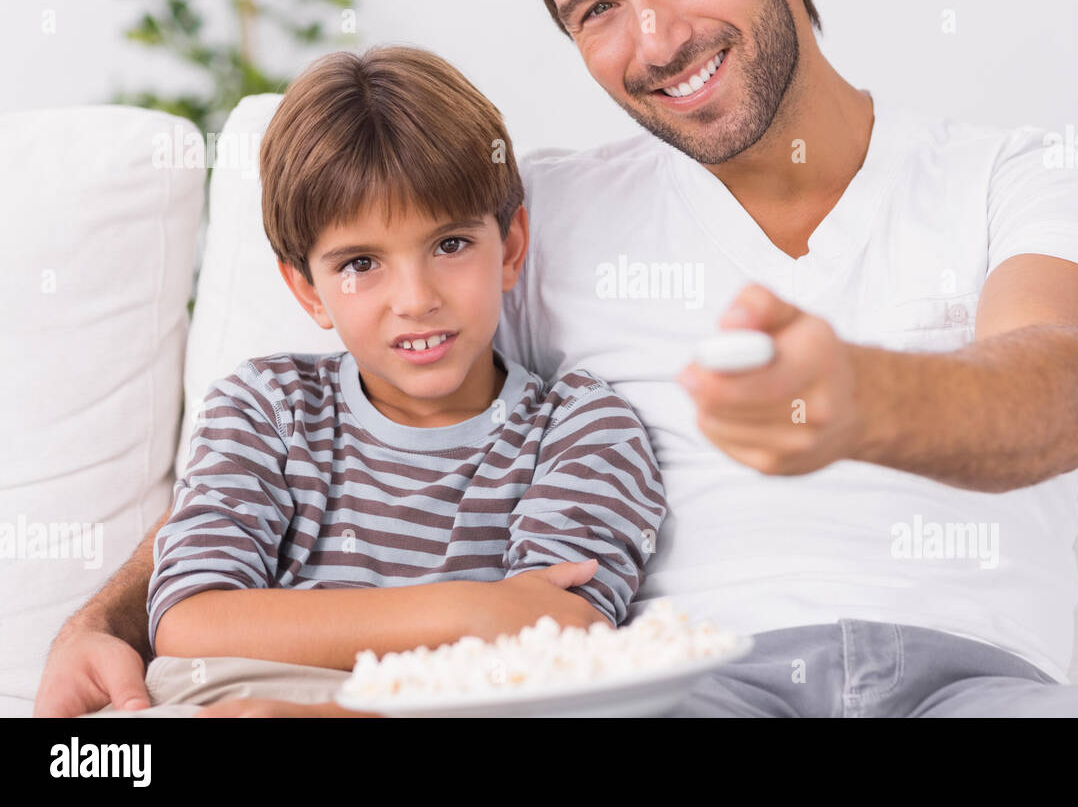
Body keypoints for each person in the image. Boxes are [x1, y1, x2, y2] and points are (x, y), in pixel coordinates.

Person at [38, 0, 1078, 717]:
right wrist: (110, 618)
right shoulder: (537, 224)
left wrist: (857, 399)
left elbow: (1058, 391)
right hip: (687, 689)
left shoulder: (1016, 174)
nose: (656, 37)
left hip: (983, 688)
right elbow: (347, 395)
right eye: (596, 9)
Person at [77, 45, 667, 716]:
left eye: (449, 244)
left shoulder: (581, 429)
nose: (415, 299)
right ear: (308, 292)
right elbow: (188, 624)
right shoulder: (266, 408)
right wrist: (470, 607)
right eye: (361, 262)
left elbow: (563, 642)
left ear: (510, 247)